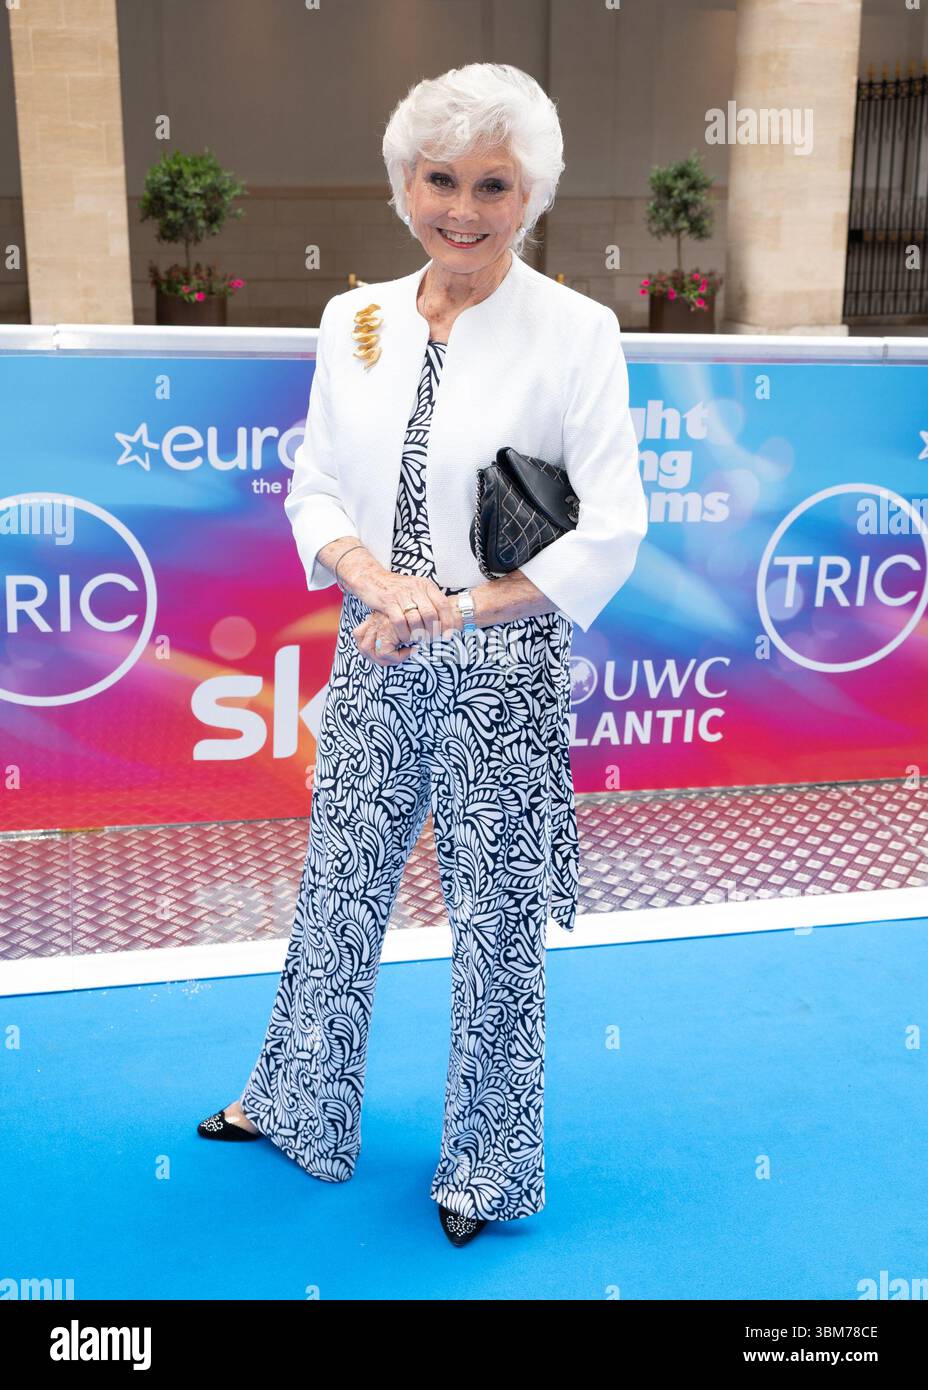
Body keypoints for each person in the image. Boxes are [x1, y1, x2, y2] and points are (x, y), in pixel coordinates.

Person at [197, 61, 648, 1248]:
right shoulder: (352, 319)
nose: (462, 206)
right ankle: (294, 1098)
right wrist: (372, 583)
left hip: (501, 667)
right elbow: (315, 486)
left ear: (532, 194)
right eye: (439, 178)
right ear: (404, 182)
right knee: (338, 887)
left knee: (495, 921)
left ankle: (486, 1166)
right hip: (371, 647)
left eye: (491, 184)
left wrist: (471, 601)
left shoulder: (577, 331)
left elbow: (615, 524)